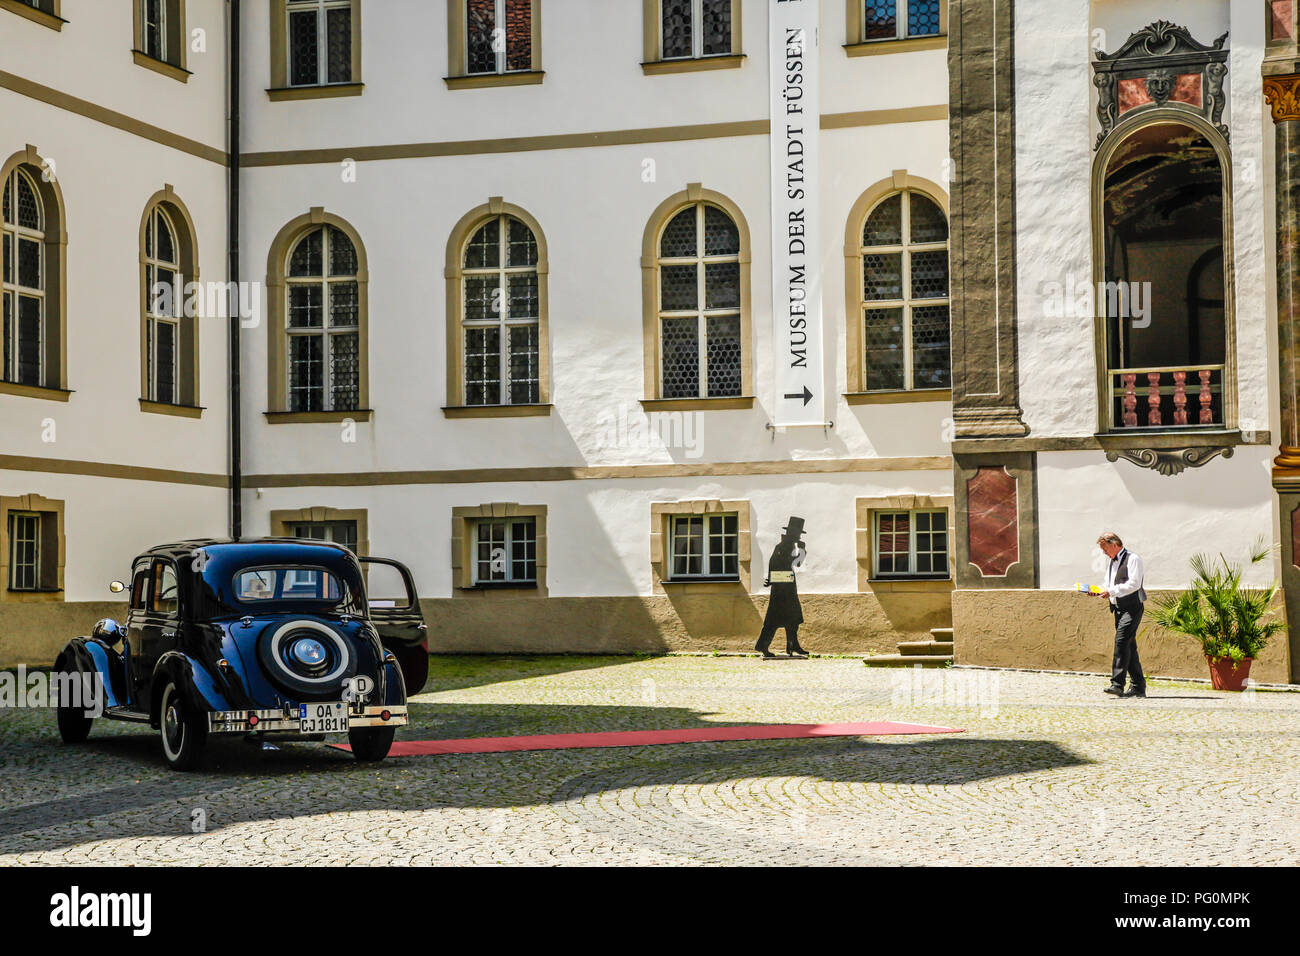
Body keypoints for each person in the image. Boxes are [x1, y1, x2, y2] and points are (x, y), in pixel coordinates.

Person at [1092, 532, 1147, 698]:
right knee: (1129, 646)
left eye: (1105, 548)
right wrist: (1097, 590)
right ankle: (1138, 686)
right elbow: (1108, 584)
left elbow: (1134, 583)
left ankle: (1117, 684)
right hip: (1118, 608)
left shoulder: (1133, 559)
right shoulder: (1112, 562)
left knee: (1121, 641)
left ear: (1114, 544)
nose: (1104, 552)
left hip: (1132, 607)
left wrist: (1112, 591)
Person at [756, 517, 808, 658]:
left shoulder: (792, 546)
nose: (798, 536)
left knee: (793, 618)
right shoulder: (782, 546)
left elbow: (798, 564)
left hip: (788, 585)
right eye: (797, 534)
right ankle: (763, 646)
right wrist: (772, 579)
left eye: (799, 534)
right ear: (791, 533)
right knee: (774, 620)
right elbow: (774, 563)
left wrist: (802, 550)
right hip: (781, 589)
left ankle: (792, 646)